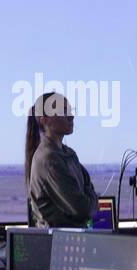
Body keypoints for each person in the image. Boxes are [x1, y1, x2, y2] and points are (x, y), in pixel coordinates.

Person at [25, 91, 98, 228]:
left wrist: (89, 198)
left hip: (73, 240)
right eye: (63, 111)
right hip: (57, 243)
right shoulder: (49, 160)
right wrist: (92, 198)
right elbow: (83, 209)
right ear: (44, 120)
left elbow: (87, 193)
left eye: (70, 110)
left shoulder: (68, 154)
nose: (71, 116)